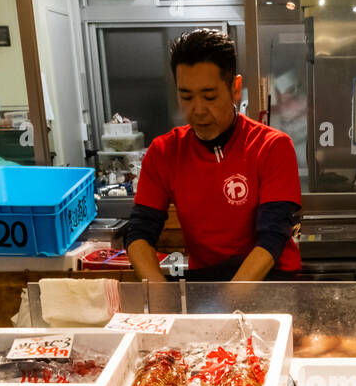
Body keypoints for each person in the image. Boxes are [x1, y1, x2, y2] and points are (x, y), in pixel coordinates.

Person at [124, 29, 302, 282]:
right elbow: (139, 232)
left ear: (235, 88)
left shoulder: (272, 147)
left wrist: (225, 306)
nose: (197, 110)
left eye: (209, 96)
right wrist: (159, 294)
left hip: (270, 281)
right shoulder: (164, 152)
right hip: (206, 282)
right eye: (186, 96)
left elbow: (272, 237)